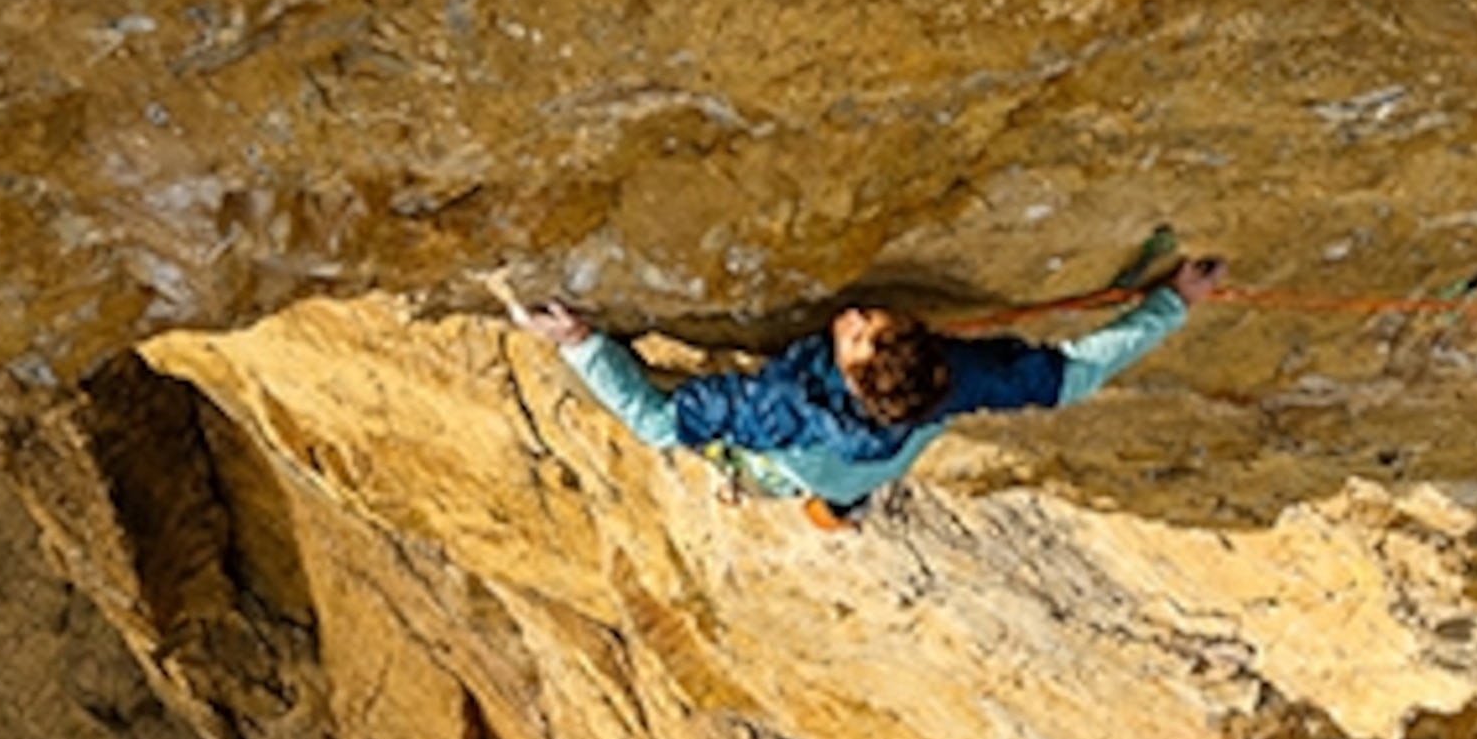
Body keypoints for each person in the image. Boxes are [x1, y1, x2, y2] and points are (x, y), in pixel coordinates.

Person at [507, 256, 1227, 526]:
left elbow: (662, 425)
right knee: (861, 477)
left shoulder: (780, 409)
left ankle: (835, 507)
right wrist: (1175, 303)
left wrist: (582, 344)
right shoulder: (956, 377)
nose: (849, 317)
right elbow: (1075, 375)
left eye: (855, 333)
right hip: (891, 449)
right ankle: (842, 506)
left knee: (822, 484)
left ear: (848, 372)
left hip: (795, 463)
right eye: (867, 321)